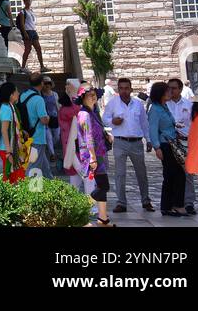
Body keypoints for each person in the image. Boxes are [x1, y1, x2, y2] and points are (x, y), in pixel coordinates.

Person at [103, 77, 154, 213]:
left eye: (126, 88)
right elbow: (105, 119)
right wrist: (113, 121)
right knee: (120, 174)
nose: (124, 91)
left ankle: (146, 200)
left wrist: (148, 139)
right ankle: (121, 202)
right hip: (120, 141)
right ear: (118, 89)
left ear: (131, 89)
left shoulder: (138, 104)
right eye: (121, 88)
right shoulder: (113, 103)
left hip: (136, 142)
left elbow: (144, 123)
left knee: (141, 173)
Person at [73, 85, 115, 226]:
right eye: (89, 94)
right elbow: (88, 137)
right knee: (102, 186)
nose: (93, 96)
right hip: (93, 156)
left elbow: (97, 132)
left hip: (99, 154)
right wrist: (92, 158)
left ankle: (103, 218)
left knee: (103, 185)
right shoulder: (84, 114)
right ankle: (80, 209)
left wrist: (106, 136)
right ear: (83, 98)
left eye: (94, 94)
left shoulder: (92, 112)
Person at [147, 81, 185, 216]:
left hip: (172, 143)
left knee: (176, 174)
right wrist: (157, 148)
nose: (170, 93)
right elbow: (152, 129)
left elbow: (168, 124)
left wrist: (176, 127)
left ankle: (172, 204)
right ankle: (171, 205)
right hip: (165, 145)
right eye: (167, 91)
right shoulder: (155, 109)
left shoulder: (164, 107)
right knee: (171, 175)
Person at [167, 77, 196, 214]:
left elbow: (194, 124)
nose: (171, 91)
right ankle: (175, 201)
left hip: (186, 141)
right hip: (170, 142)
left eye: (174, 88)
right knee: (172, 173)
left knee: (188, 173)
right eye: (169, 88)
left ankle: (189, 202)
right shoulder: (165, 105)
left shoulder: (189, 105)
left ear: (180, 89)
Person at [0, 81, 26, 184]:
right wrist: (9, 151)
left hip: (10, 149)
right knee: (16, 178)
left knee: (12, 178)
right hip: (9, 150)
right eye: (16, 91)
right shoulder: (6, 109)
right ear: (11, 95)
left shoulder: (9, 107)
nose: (18, 93)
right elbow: (4, 130)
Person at [20, 72, 53, 179]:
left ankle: (52, 185)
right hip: (37, 138)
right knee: (34, 168)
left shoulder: (23, 95)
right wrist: (48, 118)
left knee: (45, 166)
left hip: (26, 135)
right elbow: (44, 120)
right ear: (42, 83)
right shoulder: (39, 99)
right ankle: (33, 192)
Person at [18, 0, 45, 71]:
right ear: (24, 2)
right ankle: (23, 67)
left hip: (33, 31)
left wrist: (36, 31)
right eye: (26, 1)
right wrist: (25, 33)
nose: (28, 2)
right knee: (28, 49)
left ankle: (42, 66)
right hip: (28, 31)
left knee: (38, 48)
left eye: (29, 1)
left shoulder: (31, 11)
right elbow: (22, 23)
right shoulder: (23, 12)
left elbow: (33, 23)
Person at [42, 75, 61, 163]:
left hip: (55, 118)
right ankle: (52, 154)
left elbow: (58, 107)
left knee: (56, 137)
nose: (47, 85)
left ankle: (50, 147)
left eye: (49, 83)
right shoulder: (40, 95)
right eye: (45, 83)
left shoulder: (55, 94)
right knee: (48, 137)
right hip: (45, 119)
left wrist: (60, 117)